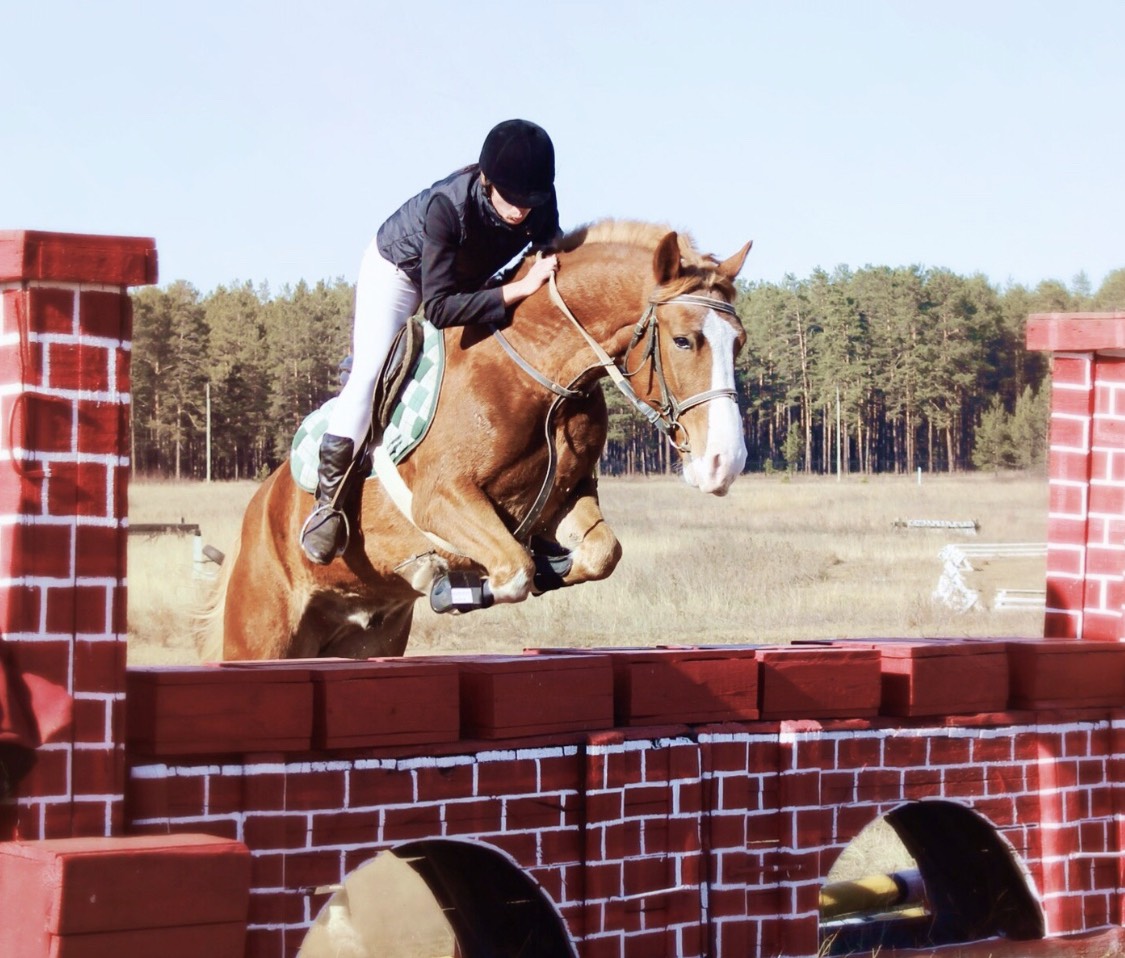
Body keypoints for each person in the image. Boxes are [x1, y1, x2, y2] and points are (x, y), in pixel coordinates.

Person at [300, 119, 562, 564]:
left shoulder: (536, 196)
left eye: (529, 202)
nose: (521, 212)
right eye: (513, 200)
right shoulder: (448, 206)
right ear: (488, 180)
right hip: (401, 272)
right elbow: (438, 309)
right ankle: (328, 504)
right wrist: (517, 289)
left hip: (467, 277)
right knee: (370, 374)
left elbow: (550, 248)